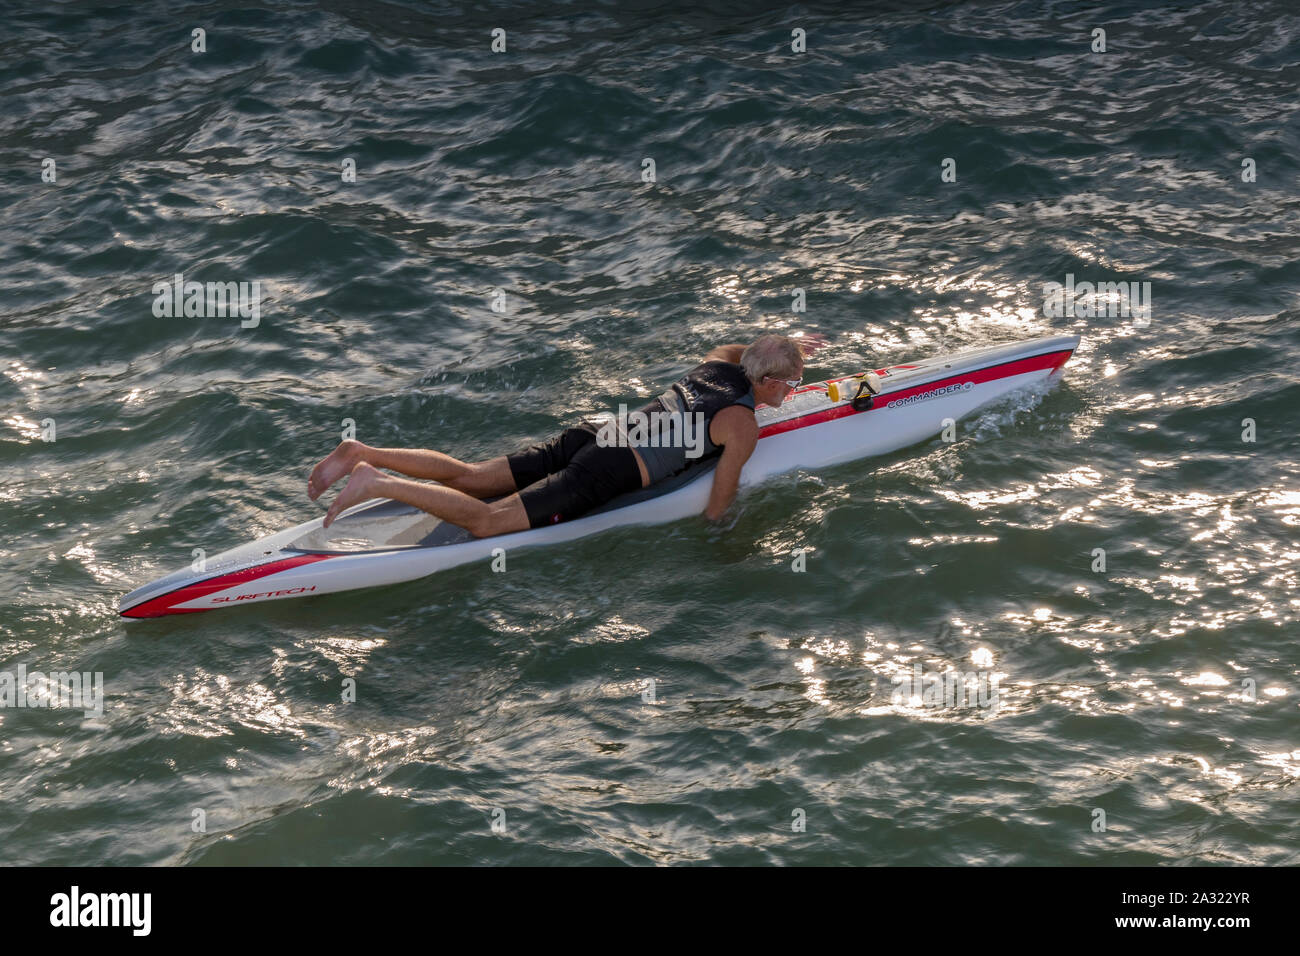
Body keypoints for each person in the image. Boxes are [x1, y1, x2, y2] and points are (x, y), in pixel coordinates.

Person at [309, 334, 810, 537]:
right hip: (610, 468)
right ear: (765, 381)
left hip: (595, 433)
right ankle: (376, 481)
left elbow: (736, 348)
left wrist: (779, 349)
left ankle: (362, 449)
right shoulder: (742, 424)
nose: (793, 392)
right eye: (790, 383)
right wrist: (722, 538)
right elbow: (720, 497)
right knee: (486, 522)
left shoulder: (721, 363)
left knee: (472, 477)